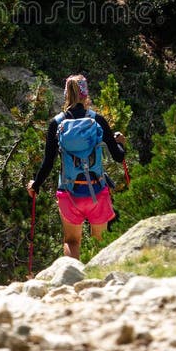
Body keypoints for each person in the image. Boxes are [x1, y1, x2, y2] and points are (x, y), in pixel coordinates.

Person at [27, 73, 126, 259]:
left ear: (66, 95)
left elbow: (48, 162)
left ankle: (72, 279)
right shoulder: (98, 121)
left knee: (71, 241)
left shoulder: (57, 123)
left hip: (69, 192)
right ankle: (102, 282)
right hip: (97, 192)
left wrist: (35, 185)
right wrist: (120, 143)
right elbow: (119, 157)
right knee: (101, 242)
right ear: (85, 94)